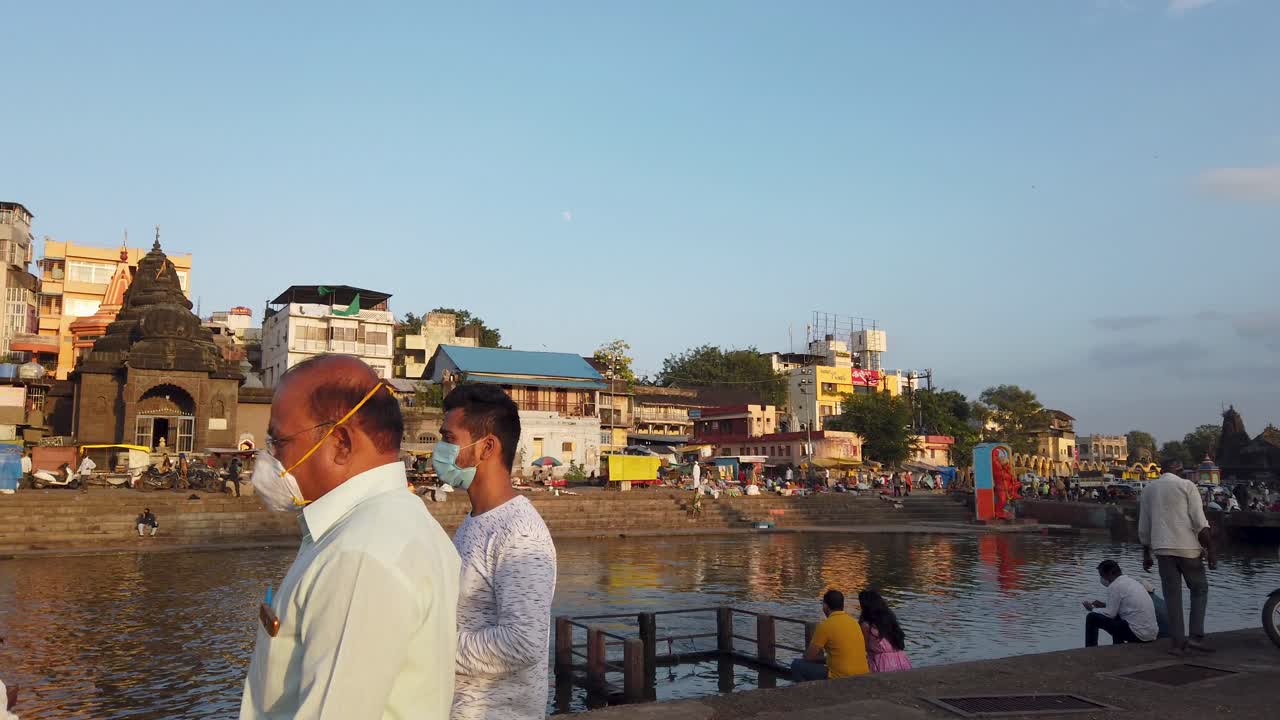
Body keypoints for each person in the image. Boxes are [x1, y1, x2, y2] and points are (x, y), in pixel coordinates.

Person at [239, 354, 460, 719]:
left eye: (278, 442)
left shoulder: (359, 555)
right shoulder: (392, 524)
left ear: (340, 442)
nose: (269, 457)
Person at [439, 384, 557, 720]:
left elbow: (521, 643)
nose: (441, 449)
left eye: (449, 438)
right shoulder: (476, 521)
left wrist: (426, 644)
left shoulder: (520, 533)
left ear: (487, 447)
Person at [1139, 460, 1213, 655]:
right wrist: (1211, 551)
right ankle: (1196, 637)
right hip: (1187, 548)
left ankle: (1177, 644)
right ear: (1177, 470)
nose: (1182, 473)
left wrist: (1146, 553)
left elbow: (1144, 525)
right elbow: (1199, 522)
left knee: (1172, 598)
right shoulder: (1187, 486)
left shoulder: (1149, 489)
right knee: (1199, 589)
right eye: (1181, 470)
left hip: (1162, 550)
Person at [790, 589, 869, 681]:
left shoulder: (825, 625)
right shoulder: (854, 622)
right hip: (862, 672)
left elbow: (809, 656)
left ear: (825, 606)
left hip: (841, 675)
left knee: (796, 664)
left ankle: (806, 691)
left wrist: (805, 657)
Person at [1082, 560, 1157, 647]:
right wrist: (1105, 605)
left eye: (1102, 575)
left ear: (1111, 573)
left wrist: (1092, 609)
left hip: (1138, 634)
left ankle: (1090, 648)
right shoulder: (1132, 582)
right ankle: (1117, 645)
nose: (1102, 578)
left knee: (1091, 617)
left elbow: (1110, 614)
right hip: (1151, 634)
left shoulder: (1115, 586)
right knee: (1118, 617)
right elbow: (1125, 606)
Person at [858, 590, 911, 672]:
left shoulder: (866, 625)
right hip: (901, 660)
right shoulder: (889, 619)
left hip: (882, 663)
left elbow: (864, 647)